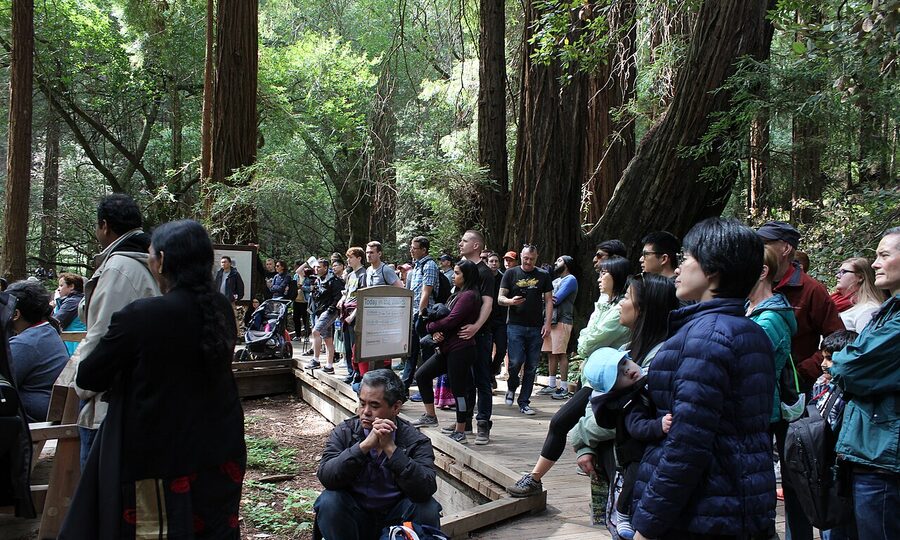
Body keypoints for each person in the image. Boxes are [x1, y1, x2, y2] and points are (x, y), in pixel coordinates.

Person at [60, 220, 246, 539]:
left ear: (161, 260)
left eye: (150, 254)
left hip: (159, 455)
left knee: (158, 531)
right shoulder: (220, 309)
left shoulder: (141, 315)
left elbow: (91, 374)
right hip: (220, 447)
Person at [631, 218, 776, 540]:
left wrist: (648, 525)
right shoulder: (747, 330)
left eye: (686, 259)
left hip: (702, 511)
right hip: (739, 500)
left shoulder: (707, 337)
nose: (679, 269)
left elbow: (687, 442)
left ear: (712, 270)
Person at [508, 273, 678, 501]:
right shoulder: (628, 348)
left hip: (635, 466)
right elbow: (599, 399)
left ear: (645, 309)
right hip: (612, 452)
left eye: (627, 298)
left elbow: (625, 414)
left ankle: (535, 478)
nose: (621, 304)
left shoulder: (658, 358)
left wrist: (582, 436)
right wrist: (584, 445)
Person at [58, 194, 161, 470]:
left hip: (109, 402)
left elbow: (103, 333)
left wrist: (83, 383)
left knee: (100, 486)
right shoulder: (149, 260)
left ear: (104, 226)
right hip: (139, 393)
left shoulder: (120, 268)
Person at [830, 226, 900, 540]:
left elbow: (848, 367)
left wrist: (842, 363)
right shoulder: (888, 312)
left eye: (884, 255)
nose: (875, 263)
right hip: (869, 449)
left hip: (884, 457)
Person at [315, 369, 441, 540]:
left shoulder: (415, 440)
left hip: (395, 517)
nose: (366, 412)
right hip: (354, 517)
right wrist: (363, 447)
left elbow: (426, 488)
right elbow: (326, 476)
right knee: (330, 500)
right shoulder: (345, 432)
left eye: (374, 406)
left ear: (396, 407)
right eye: (362, 404)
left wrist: (391, 449)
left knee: (427, 508)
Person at [757, 220, 845, 391]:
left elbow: (838, 339)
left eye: (765, 243)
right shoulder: (754, 282)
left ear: (786, 248)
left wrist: (801, 372)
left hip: (793, 389)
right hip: (756, 379)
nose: (758, 248)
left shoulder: (812, 290)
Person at [410, 260, 482, 443]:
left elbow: (451, 320)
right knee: (422, 375)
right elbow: (448, 320)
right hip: (447, 348)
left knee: (459, 390)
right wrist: (436, 332)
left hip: (461, 349)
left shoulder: (469, 296)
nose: (453, 276)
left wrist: (430, 327)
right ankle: (430, 415)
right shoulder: (458, 293)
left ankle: (461, 430)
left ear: (466, 276)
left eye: (457, 273)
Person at [811, 330, 859, 540]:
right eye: (823, 358)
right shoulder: (822, 385)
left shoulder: (850, 391)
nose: (824, 364)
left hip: (842, 467)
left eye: (829, 359)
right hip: (825, 462)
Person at [747, 244, 798, 425]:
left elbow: (746, 364)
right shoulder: (749, 307)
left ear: (762, 272)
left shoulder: (770, 319)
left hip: (759, 410)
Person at [499, 244, 553, 416]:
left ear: (536, 258)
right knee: (515, 362)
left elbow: (549, 301)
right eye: (525, 258)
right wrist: (511, 301)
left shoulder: (543, 275)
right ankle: (511, 386)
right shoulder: (511, 273)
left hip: (536, 326)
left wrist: (547, 323)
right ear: (521, 257)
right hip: (515, 325)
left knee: (531, 366)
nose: (528, 262)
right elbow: (500, 298)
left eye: (532, 259)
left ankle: (524, 402)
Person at [7, 281, 69, 423]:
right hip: (46, 413)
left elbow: (4, 380)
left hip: (31, 420)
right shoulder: (46, 331)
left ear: (15, 314)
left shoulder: (25, 343)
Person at [457, 230, 495, 444]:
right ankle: (464, 422)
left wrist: (476, 326)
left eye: (464, 241)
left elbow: (488, 303)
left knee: (482, 379)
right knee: (465, 380)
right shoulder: (464, 270)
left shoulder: (485, 273)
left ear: (476, 246)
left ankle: (483, 424)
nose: (460, 243)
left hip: (480, 334)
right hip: (462, 334)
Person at [575, 256, 632, 360]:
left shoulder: (620, 309)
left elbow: (587, 347)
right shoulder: (606, 303)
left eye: (603, 273)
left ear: (617, 275)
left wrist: (584, 340)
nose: (599, 279)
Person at [539, 255, 579, 400]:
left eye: (560, 260)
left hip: (563, 320)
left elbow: (555, 299)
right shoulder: (556, 281)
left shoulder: (570, 279)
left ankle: (563, 387)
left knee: (561, 353)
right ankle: (551, 385)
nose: (556, 262)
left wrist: (545, 297)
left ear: (567, 264)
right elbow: (547, 297)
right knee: (551, 353)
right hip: (550, 321)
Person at [404, 236, 440, 393]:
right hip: (414, 314)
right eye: (411, 247)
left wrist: (421, 315)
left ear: (424, 250)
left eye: (414, 248)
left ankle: (426, 390)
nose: (411, 250)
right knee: (411, 353)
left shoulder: (429, 265)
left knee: (426, 353)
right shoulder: (417, 266)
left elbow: (426, 292)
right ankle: (404, 388)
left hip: (424, 316)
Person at [309, 258, 345, 373]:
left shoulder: (334, 280)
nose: (316, 269)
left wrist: (332, 308)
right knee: (328, 339)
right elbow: (317, 297)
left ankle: (315, 360)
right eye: (315, 267)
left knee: (316, 331)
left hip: (330, 311)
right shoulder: (318, 280)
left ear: (325, 268)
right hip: (320, 311)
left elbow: (339, 295)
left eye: (319, 267)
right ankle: (329, 366)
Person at [831, 256, 884, 332]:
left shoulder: (868, 310)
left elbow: (866, 339)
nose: (837, 276)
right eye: (838, 272)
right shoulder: (834, 302)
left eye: (843, 272)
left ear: (860, 277)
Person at [338, 247, 367, 382]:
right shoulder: (350, 275)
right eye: (347, 257)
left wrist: (353, 316)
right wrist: (342, 300)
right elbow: (347, 292)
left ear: (359, 258)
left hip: (355, 315)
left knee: (355, 346)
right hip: (346, 313)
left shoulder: (363, 275)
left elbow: (363, 298)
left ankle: (357, 373)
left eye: (351, 257)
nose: (348, 260)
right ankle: (350, 371)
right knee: (347, 345)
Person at [486, 252, 508, 383]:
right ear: (487, 263)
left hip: (501, 319)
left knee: (501, 349)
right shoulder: (484, 277)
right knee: (487, 350)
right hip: (486, 319)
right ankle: (489, 378)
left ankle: (492, 371)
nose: (494, 263)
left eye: (496, 261)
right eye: (491, 261)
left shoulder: (504, 277)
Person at [53, 272, 86, 356]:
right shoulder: (78, 299)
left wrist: (54, 303)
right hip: (75, 342)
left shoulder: (72, 302)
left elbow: (55, 322)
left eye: (61, 285)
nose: (58, 289)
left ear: (71, 286)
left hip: (73, 344)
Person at [292, 262, 313, 340]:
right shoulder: (296, 276)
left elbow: (311, 288)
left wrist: (302, 287)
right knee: (295, 318)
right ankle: (298, 335)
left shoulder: (309, 277)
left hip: (305, 301)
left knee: (305, 319)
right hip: (296, 300)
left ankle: (307, 336)